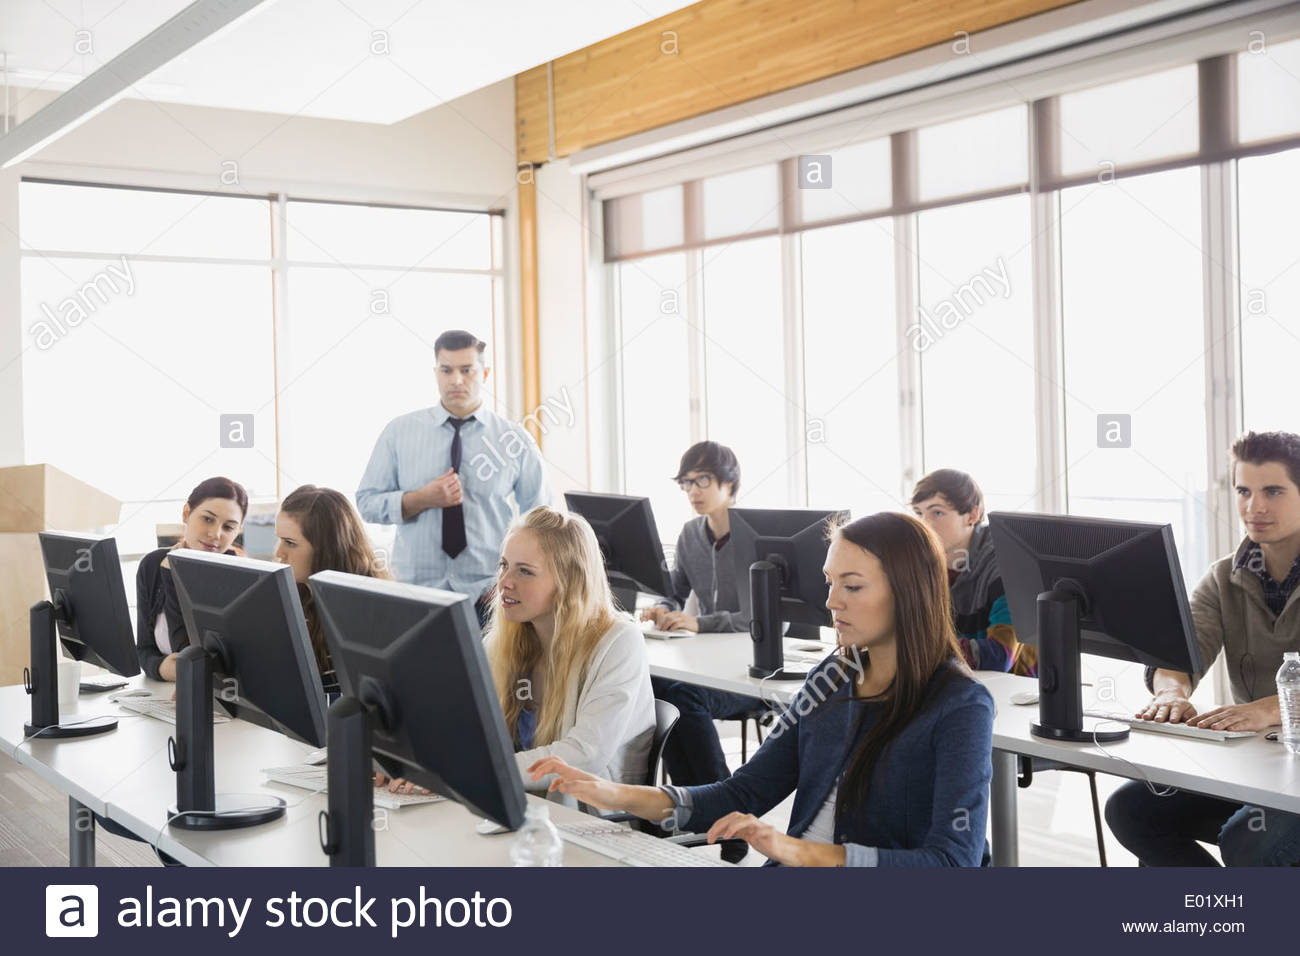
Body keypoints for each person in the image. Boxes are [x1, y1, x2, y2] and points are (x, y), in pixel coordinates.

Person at [529, 512, 994, 866]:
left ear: (908, 592)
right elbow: (740, 794)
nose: (832, 602)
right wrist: (615, 794)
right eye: (831, 583)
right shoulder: (832, 679)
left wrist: (799, 851)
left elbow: (952, 861)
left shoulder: (959, 706)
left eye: (852, 587)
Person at [1105, 430, 1300, 866]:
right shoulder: (1223, 576)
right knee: (1133, 810)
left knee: (1248, 842)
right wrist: (1172, 692)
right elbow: (1179, 649)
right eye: (1243, 491)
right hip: (1260, 766)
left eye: (1273, 491)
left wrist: (1270, 708)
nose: (1255, 507)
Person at [356, 330, 549, 625]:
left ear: (484, 373)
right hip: (415, 594)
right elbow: (366, 503)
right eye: (447, 370)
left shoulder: (514, 439)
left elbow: (540, 520)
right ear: (436, 373)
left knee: (491, 673)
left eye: (466, 370)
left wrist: (515, 580)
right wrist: (419, 499)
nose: (456, 380)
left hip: (489, 597)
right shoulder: (399, 432)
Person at [488, 505, 655, 790]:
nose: (504, 582)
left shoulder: (619, 642)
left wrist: (476, 774)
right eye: (504, 565)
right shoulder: (504, 642)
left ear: (570, 582)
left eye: (525, 571)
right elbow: (461, 729)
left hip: (588, 821)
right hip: (522, 809)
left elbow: (582, 755)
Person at [641, 443, 763, 811]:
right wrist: (661, 609)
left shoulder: (757, 536)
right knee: (658, 686)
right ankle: (690, 806)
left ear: (729, 483)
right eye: (687, 483)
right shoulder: (690, 533)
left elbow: (758, 618)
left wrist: (699, 623)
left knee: (681, 696)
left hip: (751, 675)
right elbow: (674, 593)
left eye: (702, 481)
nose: (693, 491)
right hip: (705, 666)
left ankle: (719, 807)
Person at [911, 468, 1037, 677]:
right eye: (919, 513)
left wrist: (915, 650)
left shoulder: (1006, 565)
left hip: (1017, 692)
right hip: (960, 681)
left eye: (937, 512)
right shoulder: (925, 566)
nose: (924, 524)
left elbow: (1000, 655)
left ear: (972, 515)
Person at [274, 485, 390, 698]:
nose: (279, 553)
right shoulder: (293, 598)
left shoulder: (367, 615)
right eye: (279, 539)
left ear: (326, 548)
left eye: (290, 543)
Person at [135, 477, 247, 681]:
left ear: (237, 531)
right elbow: (144, 649)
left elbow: (193, 655)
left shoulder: (241, 578)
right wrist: (160, 669)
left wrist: (171, 576)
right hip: (166, 692)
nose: (215, 534)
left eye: (228, 527)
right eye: (208, 519)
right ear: (186, 513)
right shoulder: (152, 565)